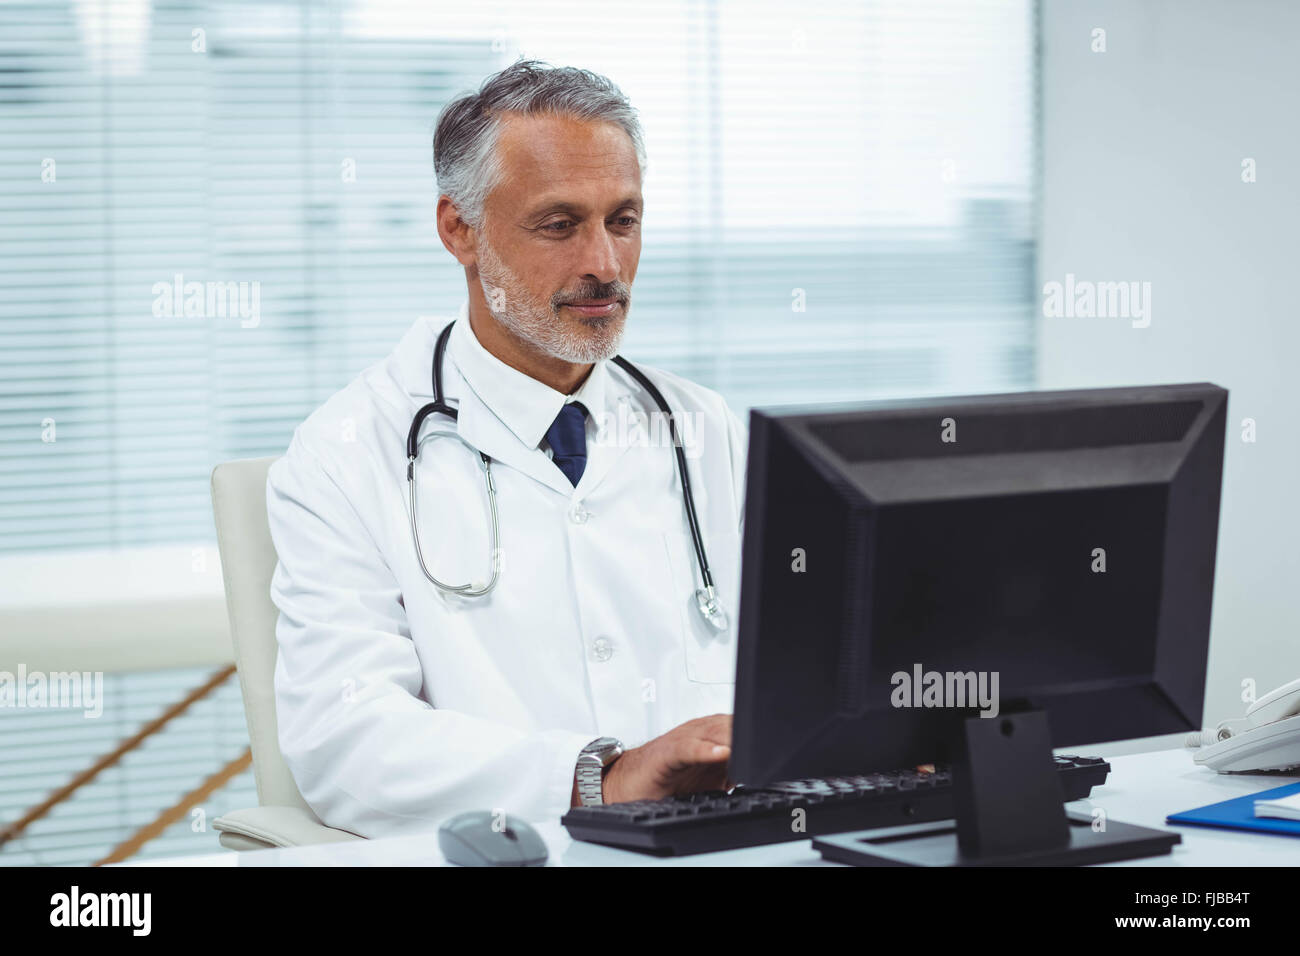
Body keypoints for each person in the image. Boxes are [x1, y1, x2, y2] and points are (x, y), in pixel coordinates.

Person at [267, 59, 746, 838]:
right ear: (459, 229)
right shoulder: (345, 454)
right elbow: (345, 742)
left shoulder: (704, 428)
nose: (604, 265)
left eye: (623, 220)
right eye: (560, 225)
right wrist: (600, 780)